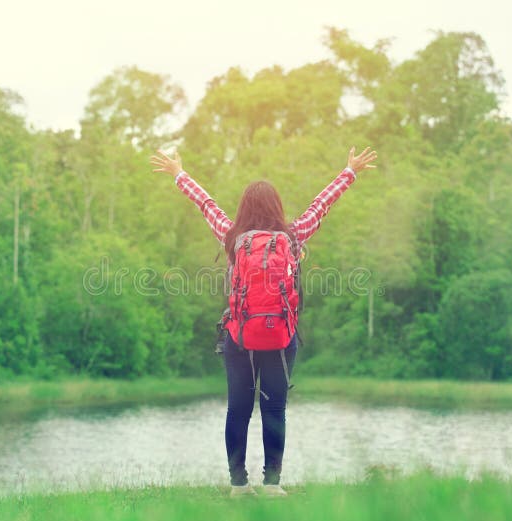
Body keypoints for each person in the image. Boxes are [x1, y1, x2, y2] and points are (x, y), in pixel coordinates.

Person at [150, 146, 378, 497]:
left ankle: (238, 484)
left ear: (243, 208)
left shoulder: (231, 236)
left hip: (238, 335)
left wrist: (179, 174)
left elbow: (206, 204)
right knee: (274, 408)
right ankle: (272, 484)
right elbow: (321, 206)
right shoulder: (292, 235)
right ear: (277, 206)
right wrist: (349, 171)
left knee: (238, 409)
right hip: (280, 334)